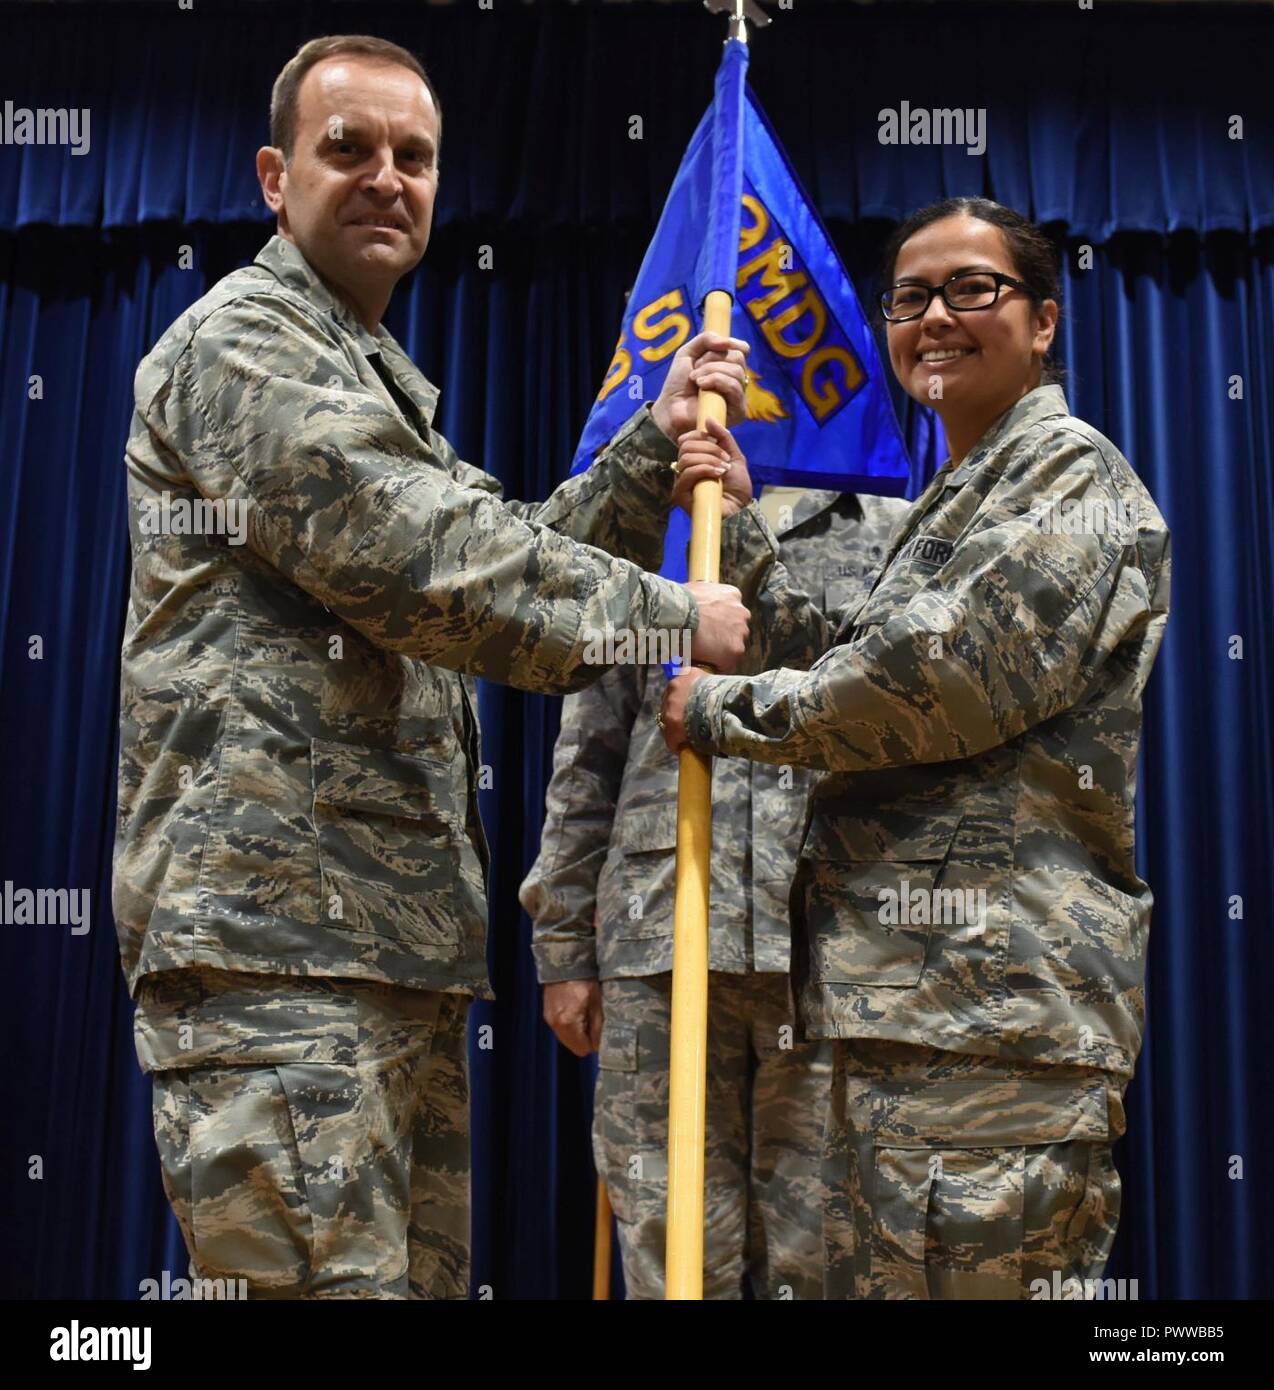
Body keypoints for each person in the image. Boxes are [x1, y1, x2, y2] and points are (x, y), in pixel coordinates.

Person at [113, 33, 756, 1300]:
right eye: (346, 148)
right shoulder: (242, 343)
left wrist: (652, 443)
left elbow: (501, 542)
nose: (385, 178)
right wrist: (668, 616)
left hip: (376, 953)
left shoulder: (368, 379)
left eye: (413, 157)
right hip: (277, 960)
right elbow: (419, 560)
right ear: (274, 177)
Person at [661, 197, 1171, 1300]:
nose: (934, 317)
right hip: (914, 1015)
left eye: (970, 288)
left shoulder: (1068, 475)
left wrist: (719, 714)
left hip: (990, 1026)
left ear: (1042, 321)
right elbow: (853, 659)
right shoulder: (960, 495)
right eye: (909, 298)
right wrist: (738, 529)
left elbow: (934, 683)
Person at [520, 484, 907, 1299]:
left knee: (821, 1244)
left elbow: (896, 712)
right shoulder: (647, 538)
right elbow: (588, 762)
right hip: (660, 937)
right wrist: (562, 948)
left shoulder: (892, 531)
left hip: (827, 949)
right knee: (673, 1242)